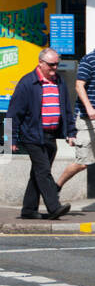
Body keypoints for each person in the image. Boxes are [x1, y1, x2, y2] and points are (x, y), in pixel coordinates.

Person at [8, 47, 74, 219]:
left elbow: (66, 109)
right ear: (41, 63)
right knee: (43, 171)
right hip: (32, 135)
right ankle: (54, 207)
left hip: (51, 135)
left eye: (57, 65)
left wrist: (70, 132)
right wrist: (12, 138)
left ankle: (28, 210)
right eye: (51, 65)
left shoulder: (59, 82)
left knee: (37, 173)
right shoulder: (27, 83)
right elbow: (14, 113)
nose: (55, 69)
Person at [56, 46, 95, 193]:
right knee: (83, 163)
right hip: (87, 120)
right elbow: (79, 86)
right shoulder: (89, 60)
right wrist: (89, 108)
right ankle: (56, 188)